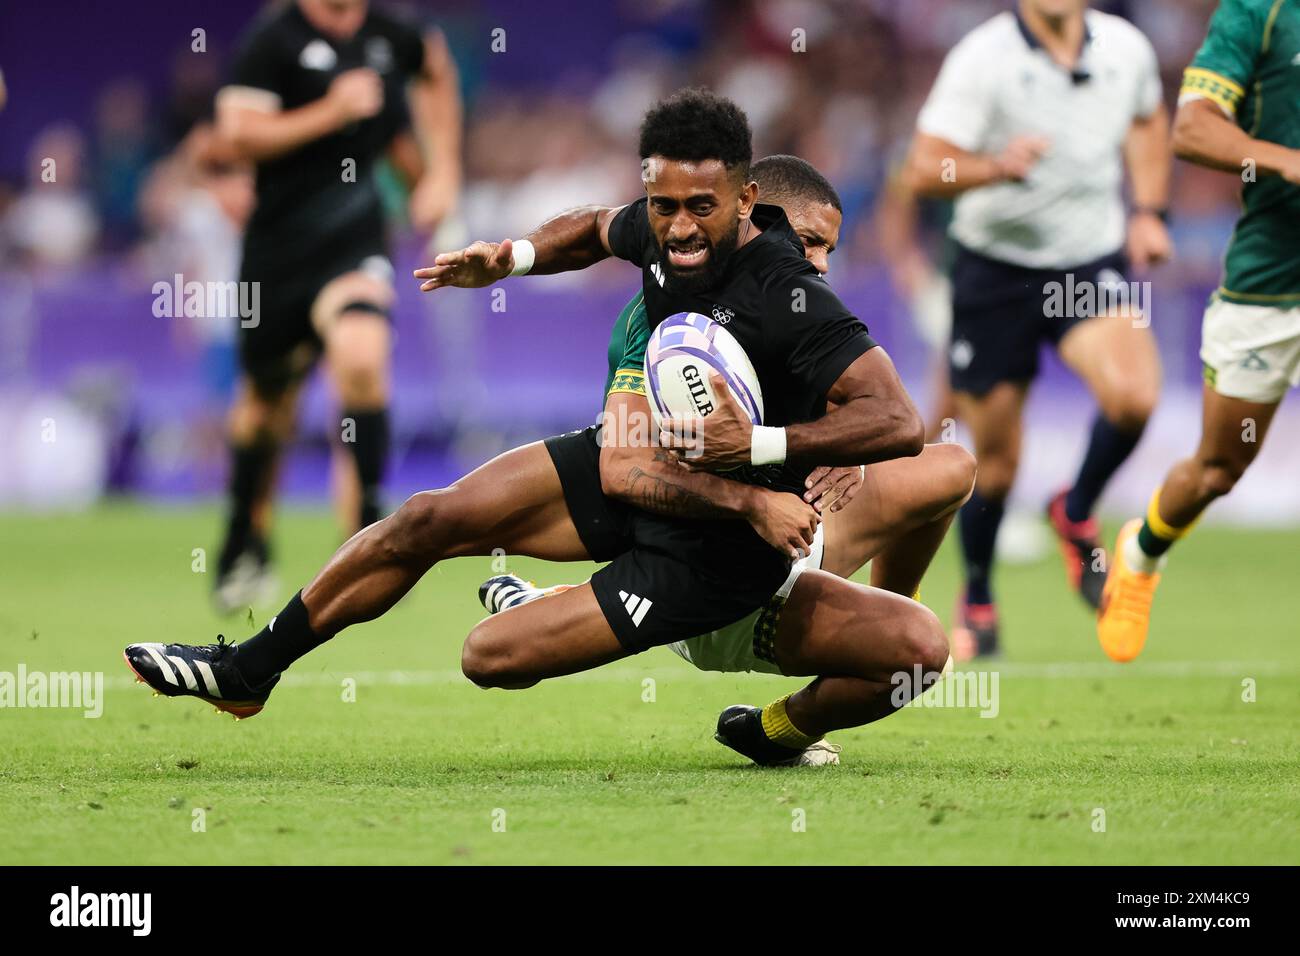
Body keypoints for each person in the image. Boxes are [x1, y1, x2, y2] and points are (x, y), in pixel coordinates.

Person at [124, 90, 951, 769]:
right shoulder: (664, 235)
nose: (682, 227)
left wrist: (772, 460)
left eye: (702, 208)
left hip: (712, 558)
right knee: (425, 518)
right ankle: (246, 669)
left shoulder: (792, 293)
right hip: (646, 479)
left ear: (744, 204)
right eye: (665, 207)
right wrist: (512, 257)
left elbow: (899, 420)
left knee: (489, 658)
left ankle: (775, 727)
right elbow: (596, 229)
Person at [479, 154, 974, 764]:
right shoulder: (660, 318)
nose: (820, 264)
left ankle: (776, 726)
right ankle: (554, 603)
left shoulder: (801, 310)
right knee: (922, 651)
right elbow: (626, 463)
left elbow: (883, 418)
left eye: (829, 251)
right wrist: (759, 481)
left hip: (791, 539)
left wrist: (848, 443)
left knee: (953, 468)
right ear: (756, 222)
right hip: (714, 586)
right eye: (812, 242)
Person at [903, 0, 1173, 657]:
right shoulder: (982, 58)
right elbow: (923, 168)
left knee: (1135, 398)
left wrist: (1149, 210)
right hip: (993, 272)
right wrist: (995, 167)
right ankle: (978, 596)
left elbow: (1147, 122)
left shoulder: (1126, 50)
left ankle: (1075, 510)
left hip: (1085, 262)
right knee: (995, 463)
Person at [211, 0, 462, 613]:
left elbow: (435, 68)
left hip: (355, 240)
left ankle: (372, 538)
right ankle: (245, 535)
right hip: (278, 253)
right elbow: (236, 132)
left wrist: (442, 174)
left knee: (361, 353)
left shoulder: (387, 34)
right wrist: (331, 111)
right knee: (266, 408)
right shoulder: (274, 39)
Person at [1097, 0, 1300, 662]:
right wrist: (1286, 161)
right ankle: (1143, 548)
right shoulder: (1261, 14)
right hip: (1271, 279)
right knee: (1217, 469)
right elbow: (1192, 129)